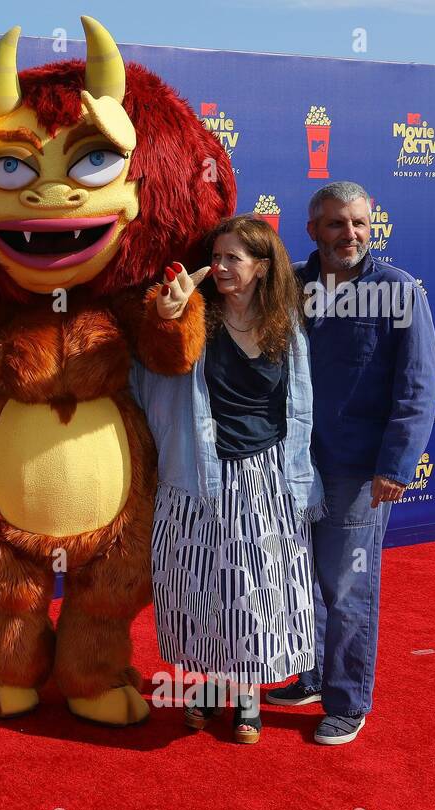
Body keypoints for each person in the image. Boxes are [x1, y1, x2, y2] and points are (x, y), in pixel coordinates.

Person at [132, 215, 323, 744]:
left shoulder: (286, 325)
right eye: (215, 257)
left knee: (251, 591)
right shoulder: (197, 317)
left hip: (266, 478)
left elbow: (297, 403)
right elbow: (155, 357)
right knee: (202, 586)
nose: (219, 267)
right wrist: (169, 312)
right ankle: (212, 686)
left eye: (232, 258)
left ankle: (247, 698)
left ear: (261, 266)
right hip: (199, 473)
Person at [266, 182, 435, 745]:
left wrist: (396, 464)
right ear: (313, 229)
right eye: (337, 223)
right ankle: (314, 675)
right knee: (301, 580)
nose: (351, 234)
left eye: (360, 223)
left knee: (347, 587)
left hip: (357, 469)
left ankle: (347, 701)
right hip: (291, 463)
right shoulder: (290, 285)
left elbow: (418, 385)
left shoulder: (398, 291)